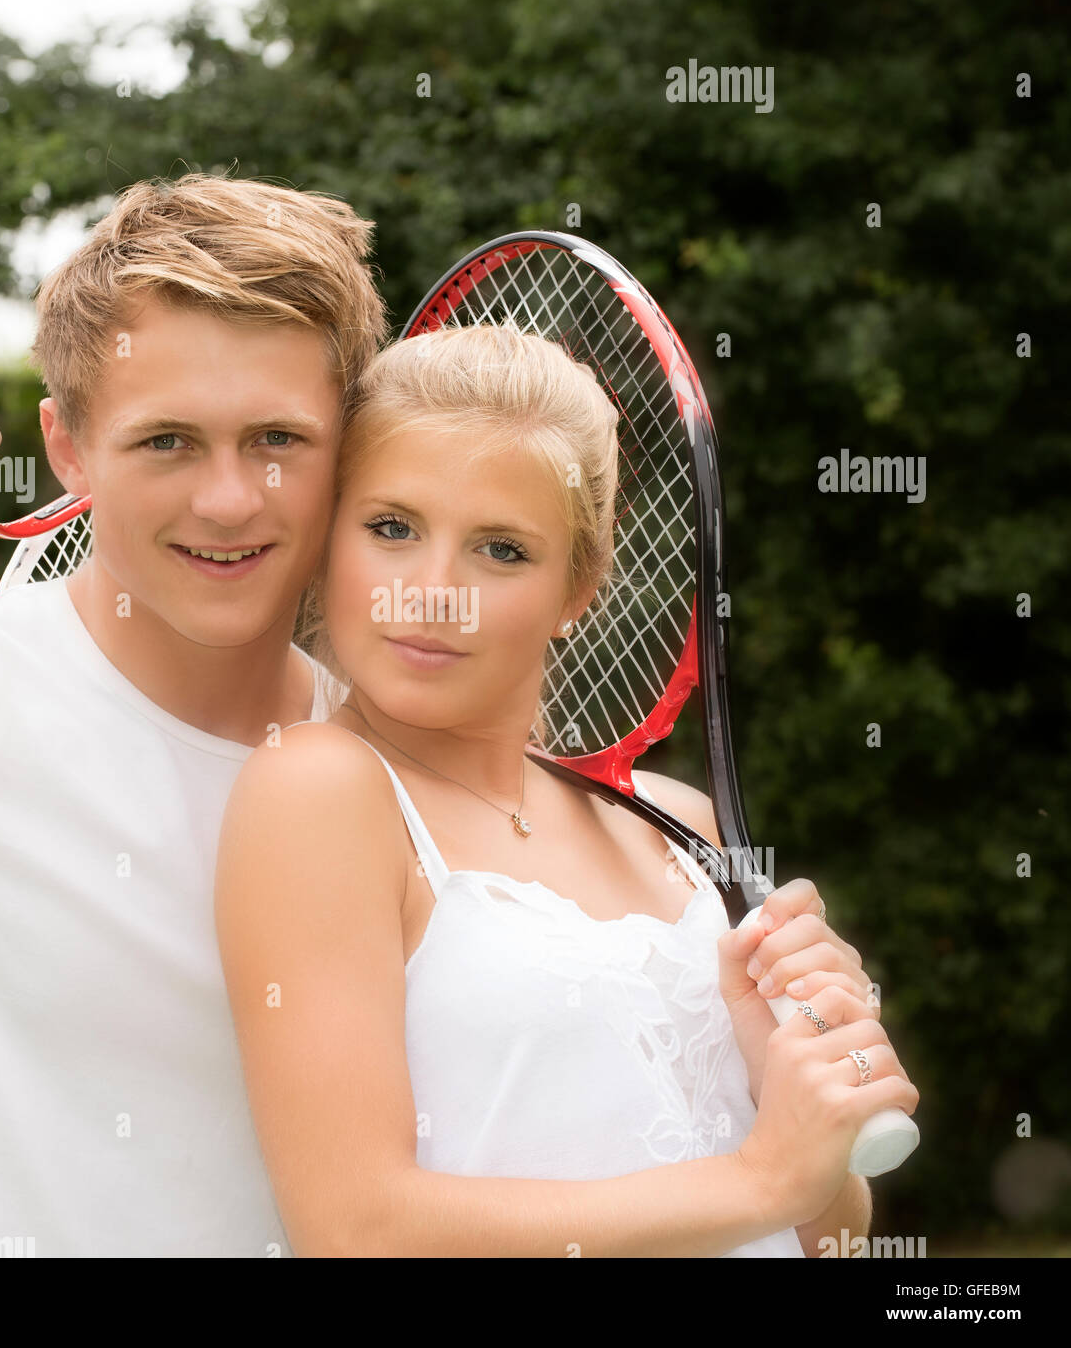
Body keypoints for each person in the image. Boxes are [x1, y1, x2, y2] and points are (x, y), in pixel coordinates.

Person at [215, 323, 920, 1257]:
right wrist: (759, 1180)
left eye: (501, 550)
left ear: (578, 585)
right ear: (328, 540)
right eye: (392, 527)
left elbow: (835, 1241)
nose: (434, 593)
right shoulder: (318, 789)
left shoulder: (678, 826)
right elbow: (356, 1229)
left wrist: (807, 1101)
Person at [0, 172, 387, 1256]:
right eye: (167, 441)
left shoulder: (401, 769)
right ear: (66, 449)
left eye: (278, 439)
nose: (229, 499)